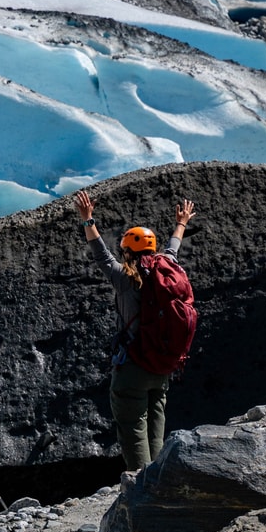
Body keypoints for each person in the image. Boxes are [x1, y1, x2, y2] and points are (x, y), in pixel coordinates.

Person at [74, 191, 196, 471]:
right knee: (156, 430)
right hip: (162, 367)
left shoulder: (124, 278)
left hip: (133, 366)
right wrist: (181, 223)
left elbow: (101, 254)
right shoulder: (168, 267)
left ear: (127, 252)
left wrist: (87, 219)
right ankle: (158, 482)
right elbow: (173, 247)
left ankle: (142, 486)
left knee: (133, 431)